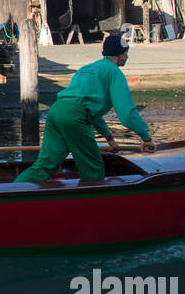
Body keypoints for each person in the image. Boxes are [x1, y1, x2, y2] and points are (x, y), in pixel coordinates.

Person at [15, 34, 154, 184]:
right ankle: (95, 202)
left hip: (56, 112)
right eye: (126, 52)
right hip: (75, 117)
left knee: (45, 165)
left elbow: (93, 114)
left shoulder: (86, 69)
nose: (127, 56)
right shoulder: (114, 72)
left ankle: (11, 192)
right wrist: (146, 138)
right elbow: (127, 114)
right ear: (120, 54)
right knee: (93, 166)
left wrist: (110, 139)